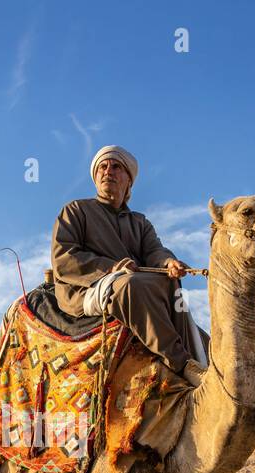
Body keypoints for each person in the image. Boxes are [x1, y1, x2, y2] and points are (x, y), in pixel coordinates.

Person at [51, 145, 206, 387]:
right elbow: (64, 258)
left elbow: (155, 251)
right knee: (130, 286)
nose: (108, 171)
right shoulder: (76, 210)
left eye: (116, 167)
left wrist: (169, 262)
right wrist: (111, 268)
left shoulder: (140, 223)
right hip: (87, 291)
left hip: (136, 285)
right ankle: (182, 363)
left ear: (129, 180)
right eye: (102, 167)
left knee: (173, 288)